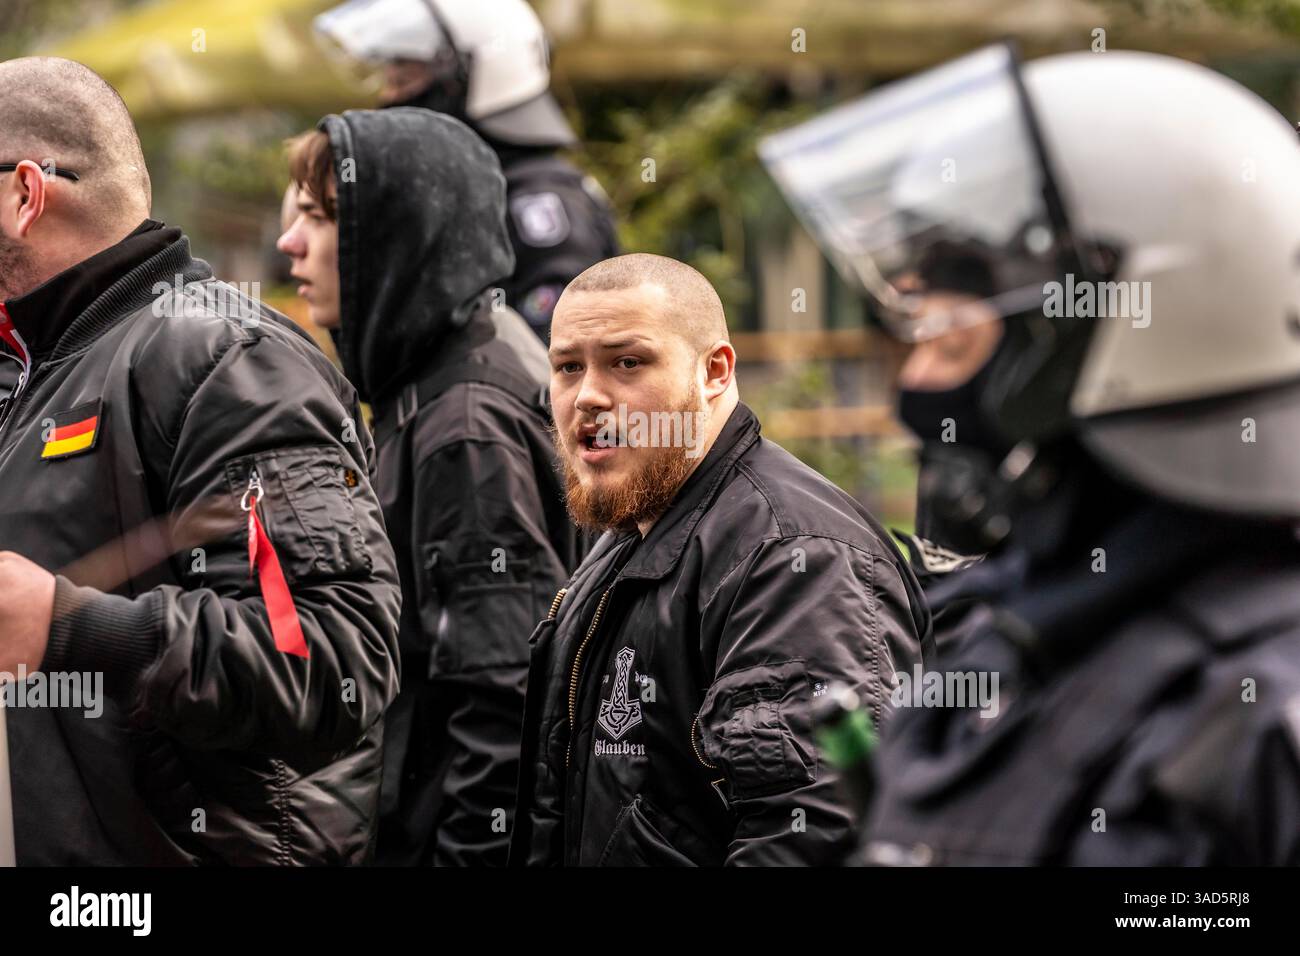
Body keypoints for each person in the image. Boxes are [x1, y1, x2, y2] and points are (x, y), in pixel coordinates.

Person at [763, 44, 1300, 864]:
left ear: (1120, 340)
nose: (915, 386)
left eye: (951, 339)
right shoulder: (1009, 633)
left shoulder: (1262, 705)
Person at [0, 56, 401, 864]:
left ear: (24, 195)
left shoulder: (226, 355)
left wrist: (69, 626)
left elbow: (333, 658)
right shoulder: (43, 365)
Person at [509, 253, 931, 866]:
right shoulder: (636, 531)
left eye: (628, 362)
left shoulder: (795, 559)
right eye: (568, 367)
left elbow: (810, 836)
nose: (589, 396)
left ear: (714, 371)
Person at [277, 108, 584, 866]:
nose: (290, 242)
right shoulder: (450, 365)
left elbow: (507, 702)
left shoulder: (464, 427)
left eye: (320, 218)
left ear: (400, 235)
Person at [313, 0, 620, 342]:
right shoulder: (464, 194)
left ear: (462, 79)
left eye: (403, 80)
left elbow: (562, 358)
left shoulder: (537, 199)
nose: (388, 97)